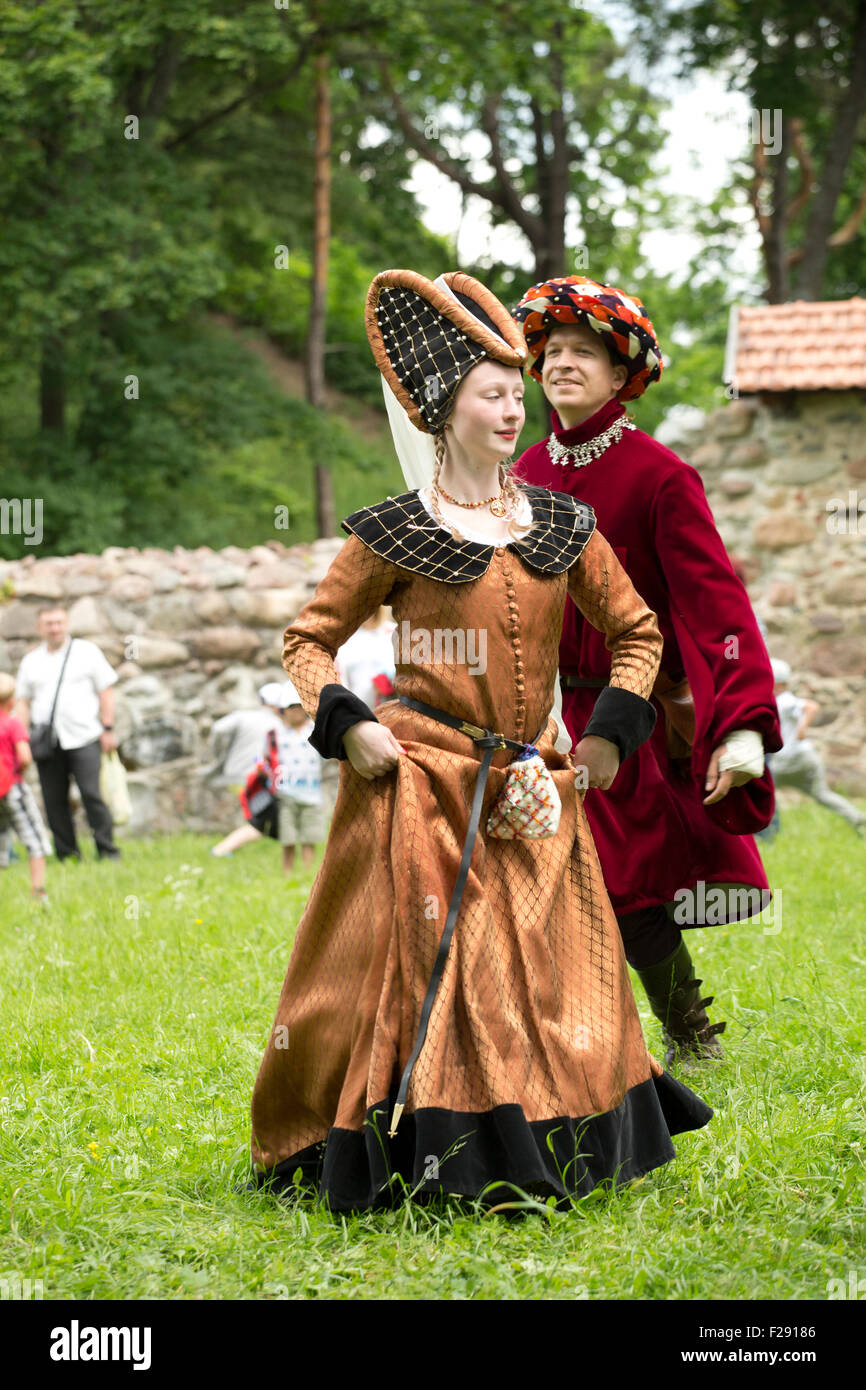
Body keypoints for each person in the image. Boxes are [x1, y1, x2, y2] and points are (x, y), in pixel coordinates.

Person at [248, 267, 711, 1214]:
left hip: (535, 781)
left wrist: (607, 742)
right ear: (444, 411)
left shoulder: (562, 523)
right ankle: (440, 1150)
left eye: (518, 391)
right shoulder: (394, 532)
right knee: (443, 973)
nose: (515, 408)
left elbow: (638, 632)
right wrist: (348, 723)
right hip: (421, 781)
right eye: (494, 393)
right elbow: (306, 642)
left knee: (560, 973)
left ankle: (566, 1134)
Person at [510, 275, 783, 1067]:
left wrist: (743, 723)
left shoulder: (661, 475)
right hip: (535, 721)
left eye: (583, 352)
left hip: (628, 719)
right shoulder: (518, 475)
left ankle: (689, 1033)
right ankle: (563, 1041)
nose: (562, 362)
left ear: (619, 370)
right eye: (552, 350)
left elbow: (717, 606)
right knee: (536, 884)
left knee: (628, 888)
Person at [15, 605, 121, 862]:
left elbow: (105, 690)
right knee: (54, 800)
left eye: (59, 622)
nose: (55, 628)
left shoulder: (87, 653)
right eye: (49, 623)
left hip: (84, 736)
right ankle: (67, 853)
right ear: (40, 627)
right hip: (47, 741)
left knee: (92, 794)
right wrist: (21, 740)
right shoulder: (31, 662)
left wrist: (107, 727)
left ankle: (107, 850)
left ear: (67, 623)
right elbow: (23, 701)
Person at [766, 658, 864, 836]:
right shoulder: (784, 701)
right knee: (822, 795)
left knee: (762, 789)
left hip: (791, 759)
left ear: (777, 683)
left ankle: (766, 833)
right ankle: (858, 818)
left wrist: (802, 728)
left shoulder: (784, 701)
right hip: (806, 756)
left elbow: (811, 707)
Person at [209, 684, 284, 858]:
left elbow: (218, 728)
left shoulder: (244, 716)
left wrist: (218, 751)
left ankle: (226, 849)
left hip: (233, 773)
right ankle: (222, 849)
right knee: (259, 820)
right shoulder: (278, 724)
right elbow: (263, 758)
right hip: (256, 777)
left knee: (255, 817)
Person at [0, 673, 52, 900]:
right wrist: (20, 771)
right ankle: (38, 890)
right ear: (12, 701)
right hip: (13, 788)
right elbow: (25, 756)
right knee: (33, 836)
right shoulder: (13, 723)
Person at [273, 680, 327, 877]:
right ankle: (287, 872)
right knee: (288, 836)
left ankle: (307, 872)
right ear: (283, 710)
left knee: (309, 835)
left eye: (298, 707)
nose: (295, 712)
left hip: (312, 792)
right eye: (290, 708)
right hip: (286, 792)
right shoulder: (276, 734)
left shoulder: (314, 730)